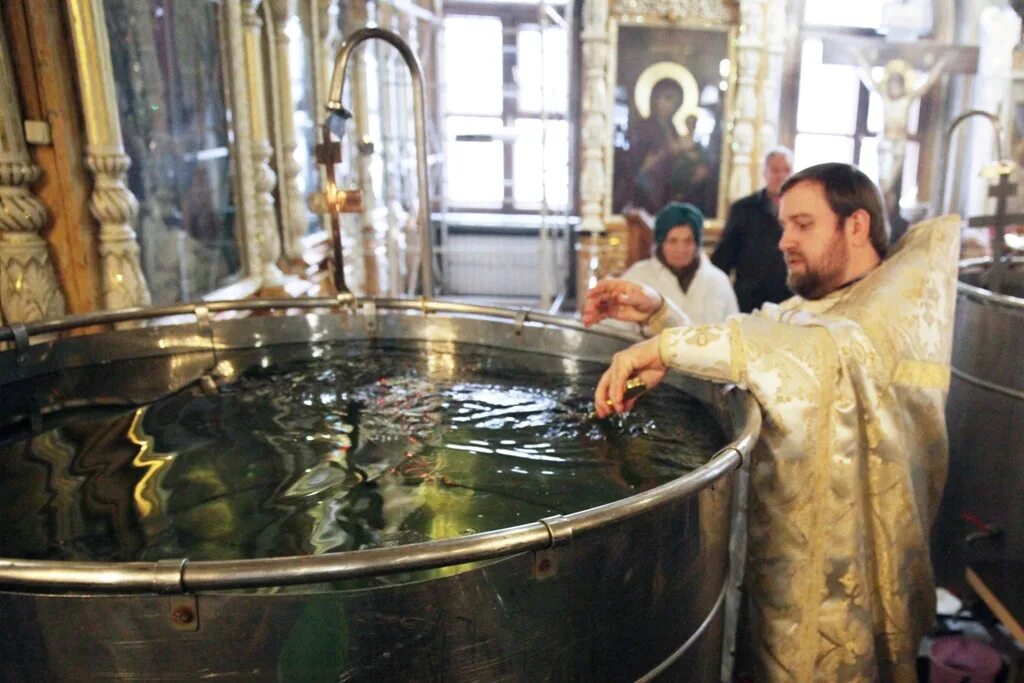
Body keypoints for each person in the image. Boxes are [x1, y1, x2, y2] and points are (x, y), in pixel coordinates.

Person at [586, 163, 960, 681]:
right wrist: (661, 317)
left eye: (802, 225)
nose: (784, 241)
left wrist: (668, 347)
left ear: (855, 226)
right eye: (783, 225)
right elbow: (759, 363)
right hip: (777, 575)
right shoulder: (814, 307)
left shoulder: (889, 319)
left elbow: (817, 357)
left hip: (841, 605)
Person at [616, 201, 737, 326]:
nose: (681, 249)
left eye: (688, 241)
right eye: (673, 241)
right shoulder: (638, 275)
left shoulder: (718, 280)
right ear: (661, 242)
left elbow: (735, 330)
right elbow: (620, 329)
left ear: (697, 244)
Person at [711, 147, 794, 313]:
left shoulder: (801, 211)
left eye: (787, 170)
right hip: (750, 301)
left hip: (790, 302)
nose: (782, 176)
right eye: (775, 170)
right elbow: (724, 257)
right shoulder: (743, 209)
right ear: (765, 173)